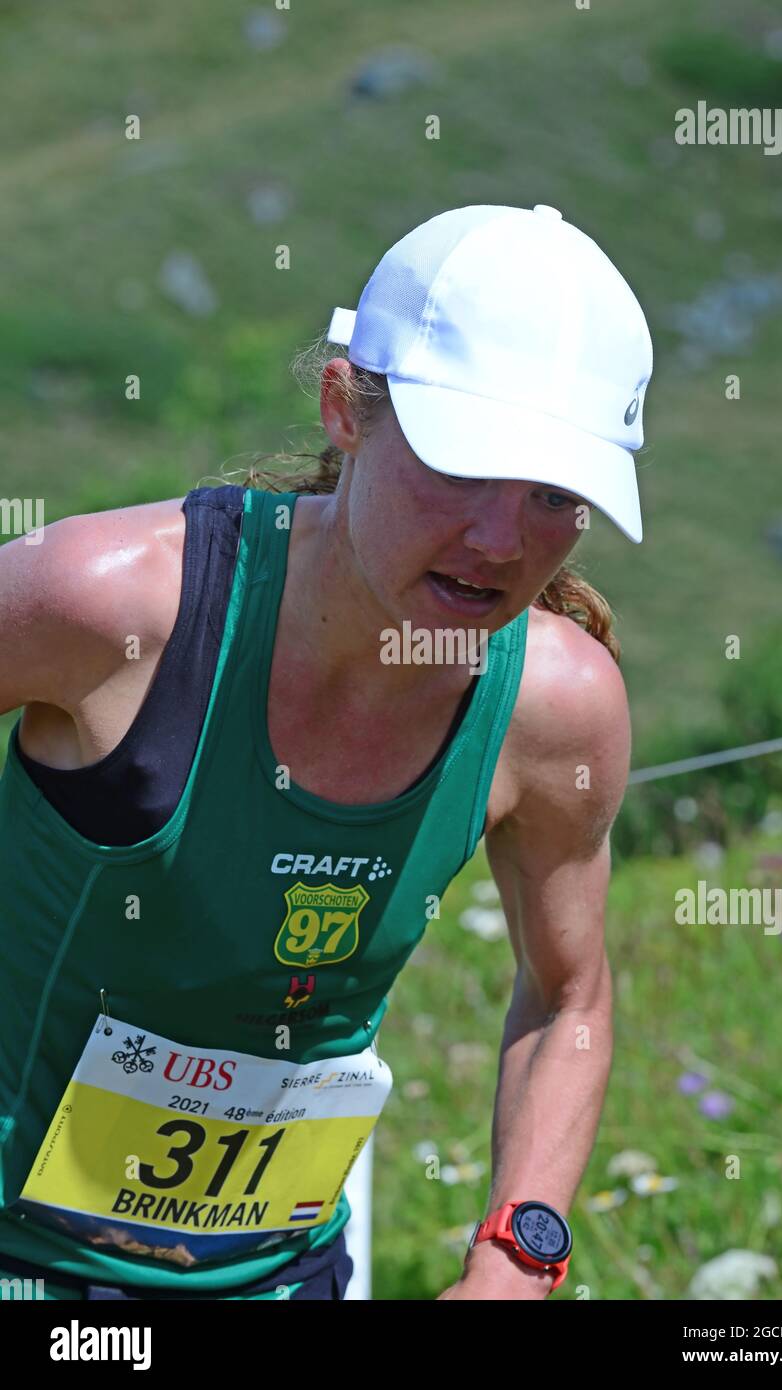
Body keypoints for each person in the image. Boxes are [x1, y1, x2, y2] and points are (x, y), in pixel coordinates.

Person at [0, 202, 653, 1300]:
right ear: (345, 409)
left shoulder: (558, 708)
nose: (501, 541)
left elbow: (568, 997)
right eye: (463, 467)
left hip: (288, 1274)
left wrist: (514, 1261)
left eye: (553, 494)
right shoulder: (105, 603)